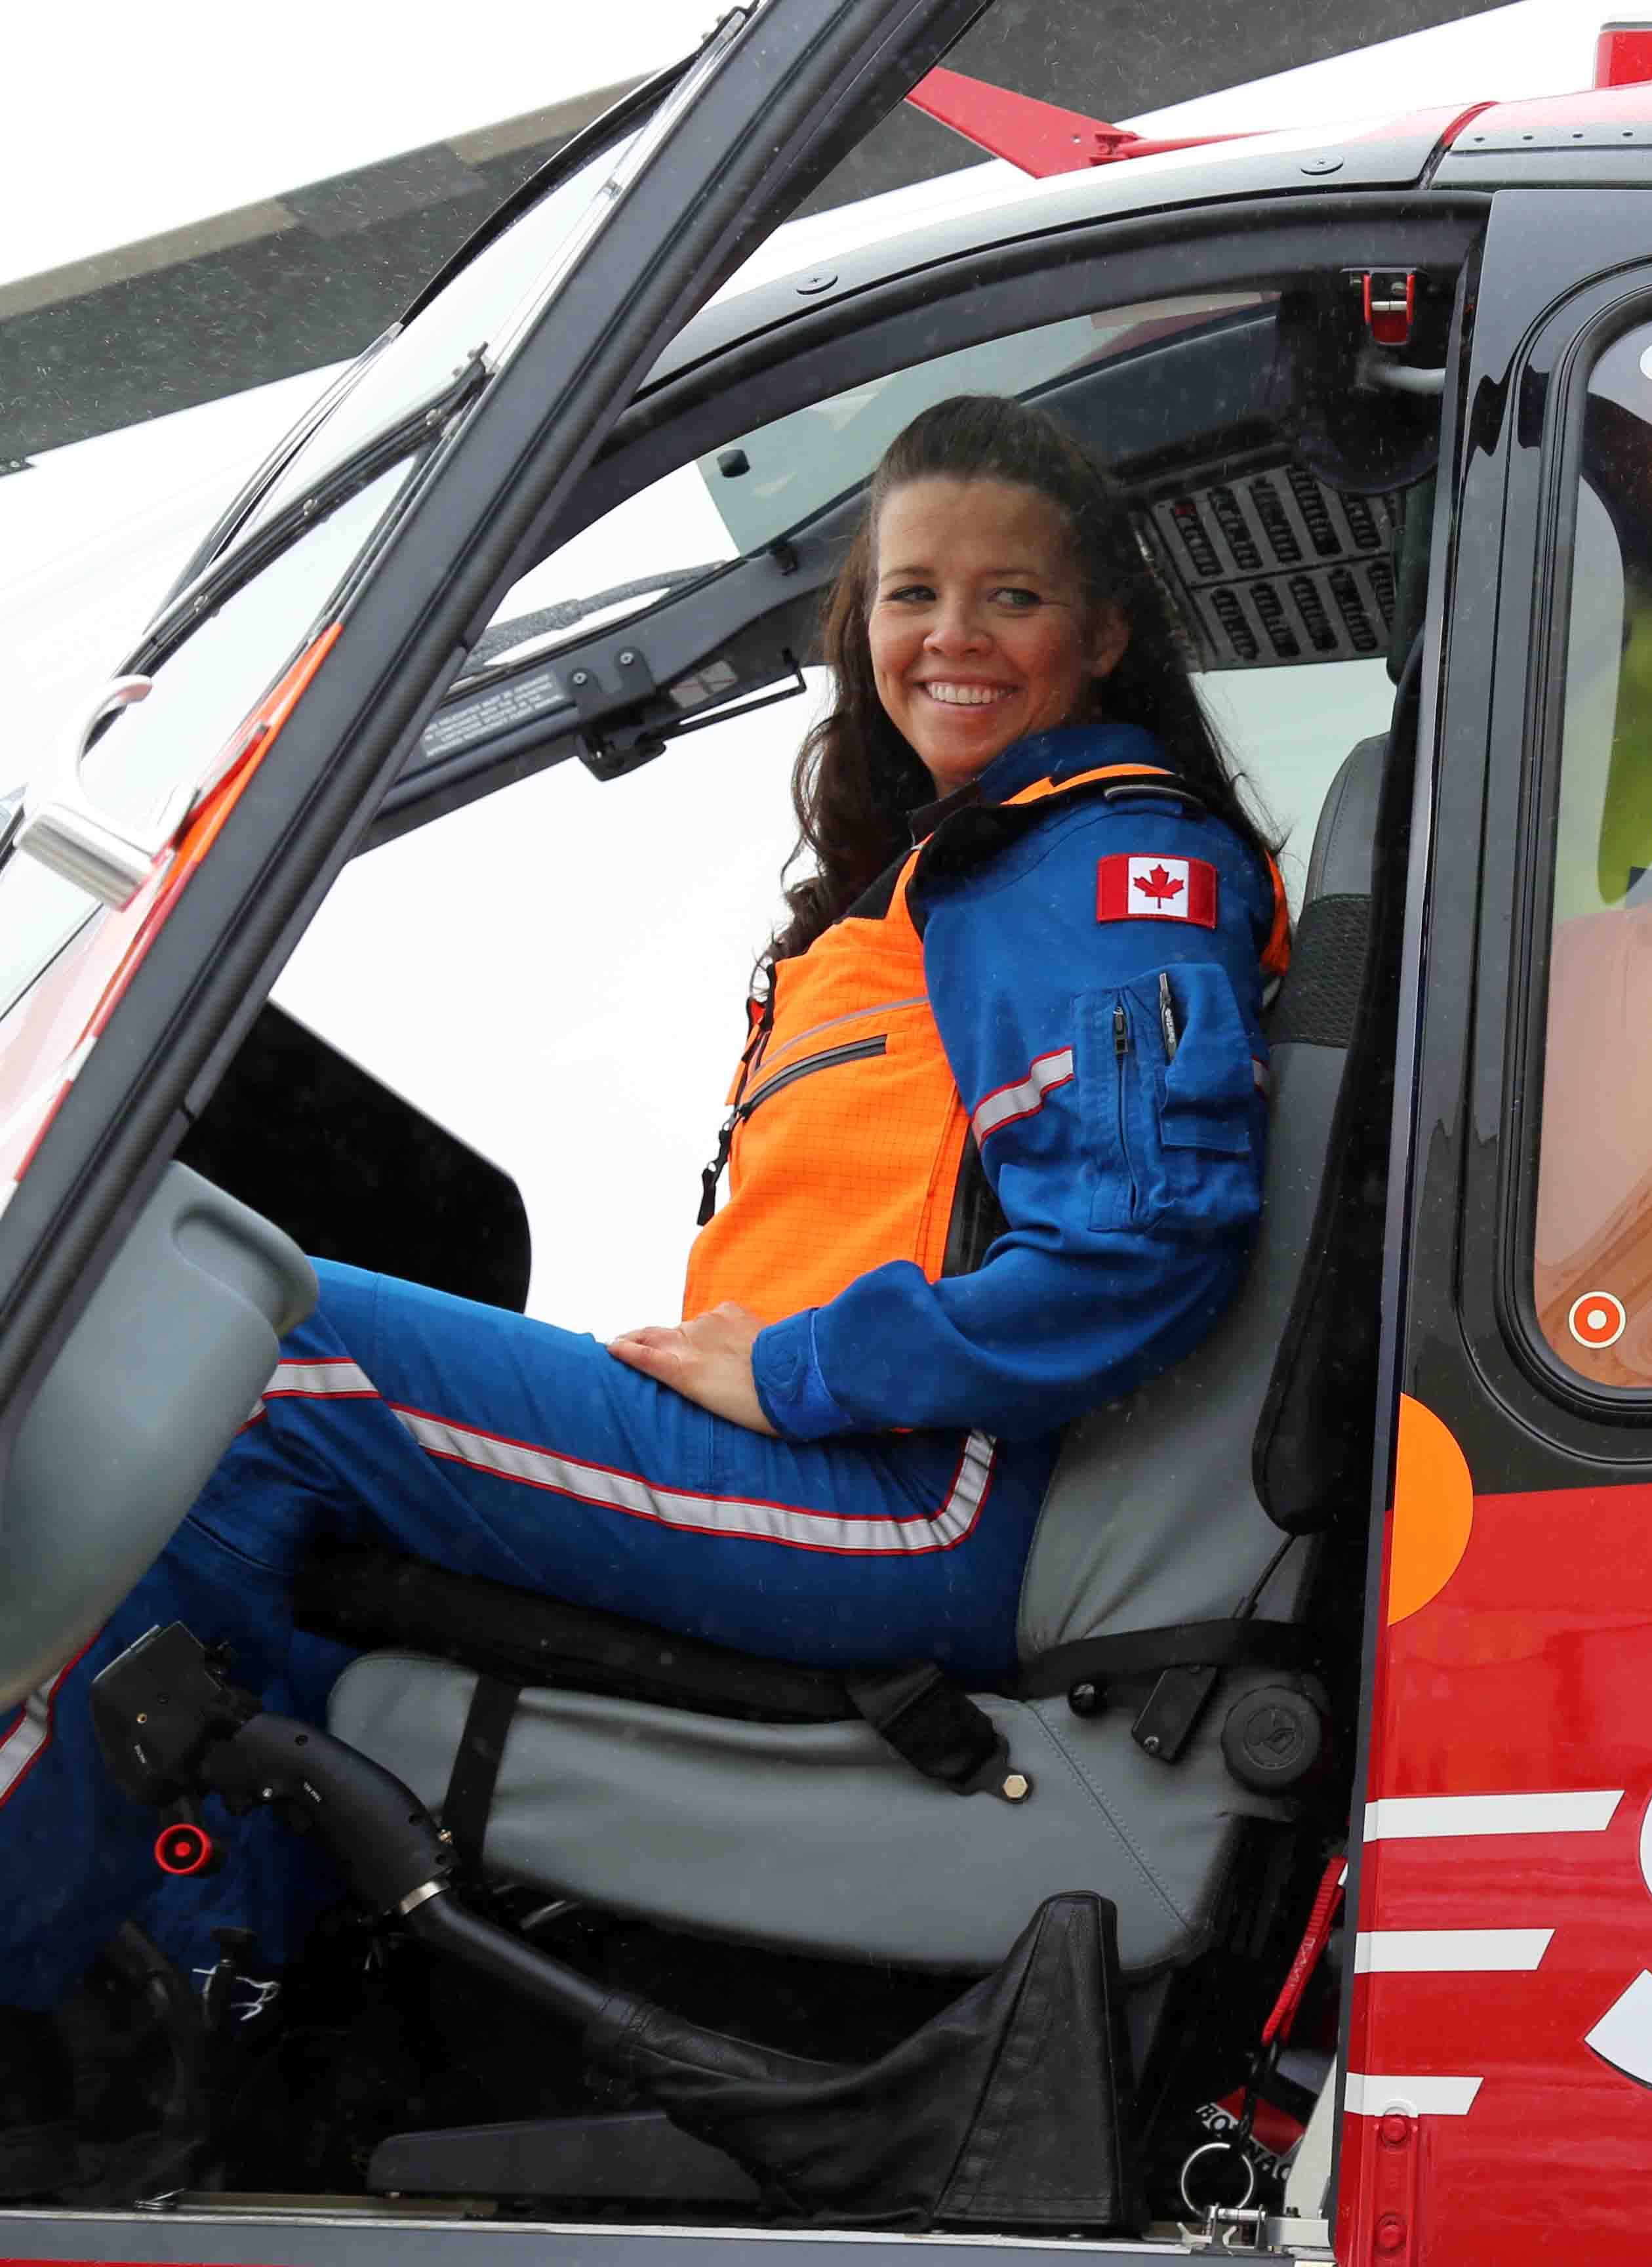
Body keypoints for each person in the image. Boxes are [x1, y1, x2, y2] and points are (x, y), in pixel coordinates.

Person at [0, 394, 1286, 2193]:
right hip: (867, 1457)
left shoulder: (1076, 860)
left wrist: (812, 1375)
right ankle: (199, 2036)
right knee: (283, 1564)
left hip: (923, 1494)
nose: (953, 639)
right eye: (914, 595)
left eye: (1011, 598)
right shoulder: (941, 879)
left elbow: (1139, 1245)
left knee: (247, 1367)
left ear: (1103, 637)